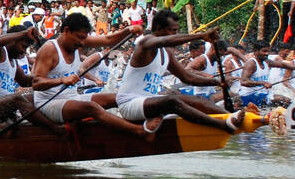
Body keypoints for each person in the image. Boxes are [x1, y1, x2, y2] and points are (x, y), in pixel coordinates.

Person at [100, 9, 246, 133]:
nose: (175, 34)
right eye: (173, 31)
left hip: (149, 103)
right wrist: (201, 35)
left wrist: (217, 81)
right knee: (171, 100)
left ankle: (231, 116)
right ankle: (224, 126)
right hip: (129, 105)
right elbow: (165, 41)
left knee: (197, 100)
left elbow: (187, 78)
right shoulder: (145, 43)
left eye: (177, 31)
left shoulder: (166, 53)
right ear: (158, 28)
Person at [24, 12, 157, 138]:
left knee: (119, 97)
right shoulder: (49, 49)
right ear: (66, 31)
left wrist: (128, 30)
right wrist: (62, 80)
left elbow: (108, 39)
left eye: (84, 38)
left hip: (72, 98)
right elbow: (35, 84)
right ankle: (139, 131)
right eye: (80, 38)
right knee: (91, 108)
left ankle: (149, 118)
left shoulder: (77, 41)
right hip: (48, 104)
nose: (82, 43)